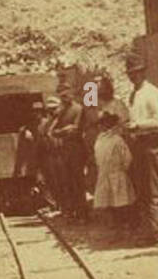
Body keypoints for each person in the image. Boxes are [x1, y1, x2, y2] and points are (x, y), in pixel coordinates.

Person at [124, 53, 158, 247]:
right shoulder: (133, 94)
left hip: (153, 143)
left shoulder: (152, 92)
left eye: (136, 73)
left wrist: (138, 126)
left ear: (143, 72)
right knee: (145, 192)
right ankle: (153, 233)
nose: (133, 76)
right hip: (139, 145)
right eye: (130, 73)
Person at [91, 106, 136, 230]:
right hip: (104, 173)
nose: (101, 126)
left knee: (121, 200)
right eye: (100, 124)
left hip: (117, 173)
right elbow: (98, 156)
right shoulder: (99, 139)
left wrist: (122, 169)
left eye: (104, 124)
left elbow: (127, 158)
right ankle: (116, 225)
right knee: (109, 201)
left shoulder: (117, 139)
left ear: (109, 125)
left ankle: (127, 224)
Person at [49, 83, 87, 219]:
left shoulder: (78, 109)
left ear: (71, 93)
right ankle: (72, 211)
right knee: (67, 182)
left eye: (66, 95)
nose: (65, 98)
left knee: (78, 181)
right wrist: (65, 130)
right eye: (62, 96)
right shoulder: (61, 112)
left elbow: (75, 129)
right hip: (65, 149)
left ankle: (82, 213)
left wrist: (63, 131)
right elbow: (52, 131)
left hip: (76, 149)